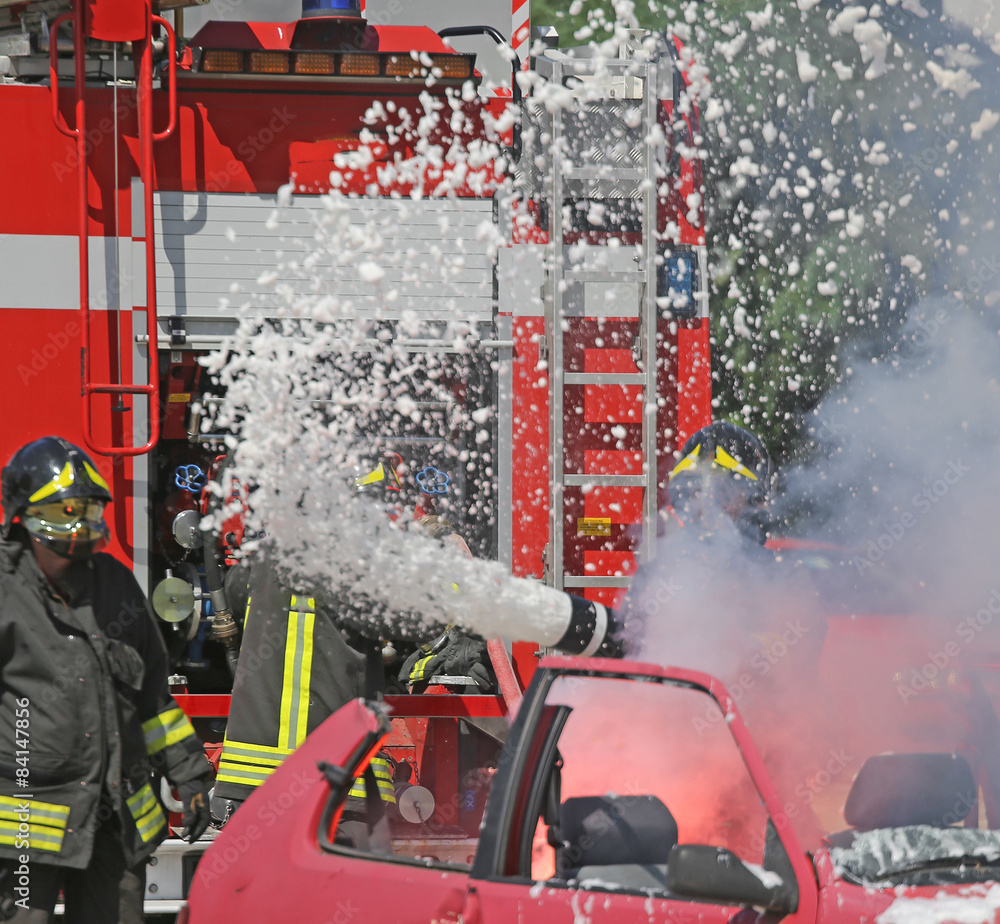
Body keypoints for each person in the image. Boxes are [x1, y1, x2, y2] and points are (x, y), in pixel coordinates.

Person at [0, 436, 212, 923]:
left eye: (88, 510)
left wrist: (191, 775)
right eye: (63, 511)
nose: (77, 526)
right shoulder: (7, 591)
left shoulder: (114, 584)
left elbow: (153, 696)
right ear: (24, 519)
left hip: (116, 824)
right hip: (28, 829)